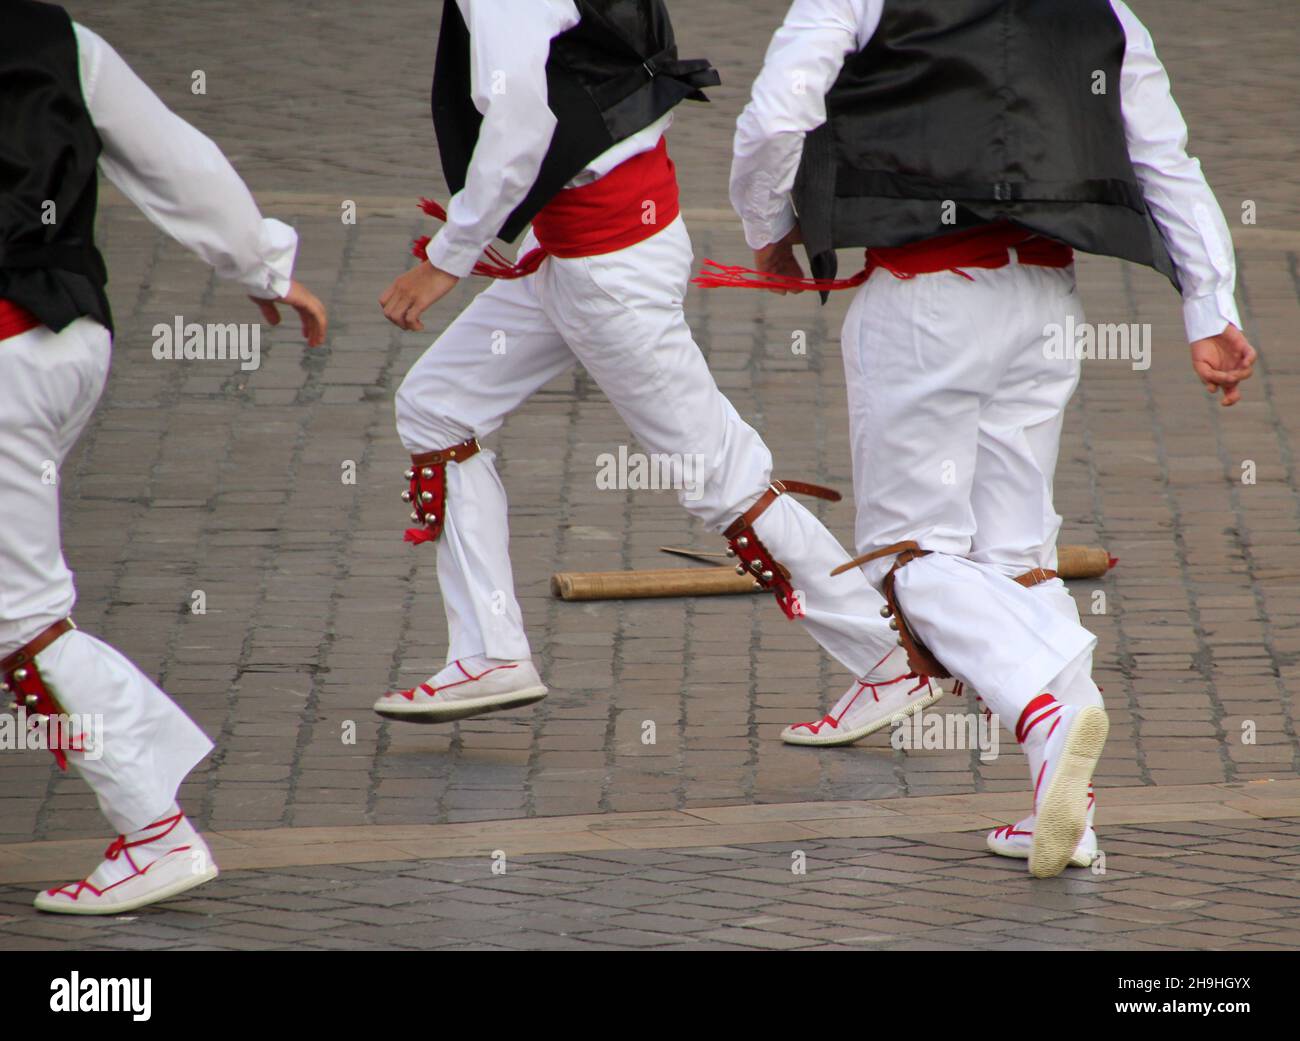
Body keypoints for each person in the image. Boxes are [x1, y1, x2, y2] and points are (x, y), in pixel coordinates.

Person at [722, 0, 1255, 876]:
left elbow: (778, 113)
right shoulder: (1103, 7)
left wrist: (770, 228)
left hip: (926, 299)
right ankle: (1071, 813)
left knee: (907, 555)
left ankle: (1042, 705)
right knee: (1020, 553)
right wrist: (1211, 306)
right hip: (1043, 299)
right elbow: (1166, 159)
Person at [373, 0, 941, 743]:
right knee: (437, 405)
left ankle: (889, 655)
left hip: (606, 269)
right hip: (587, 255)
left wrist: (446, 262)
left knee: (721, 475)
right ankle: (490, 649)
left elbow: (520, 125)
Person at [0, 0, 326, 912]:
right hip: (66, 339)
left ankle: (155, 829)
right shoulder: (56, 38)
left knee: (20, 621)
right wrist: (262, 263)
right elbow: (174, 154)